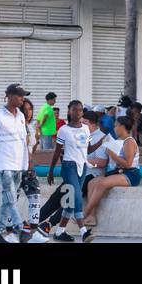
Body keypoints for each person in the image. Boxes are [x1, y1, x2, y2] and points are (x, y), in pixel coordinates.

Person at [0, 84, 48, 243]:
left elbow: (23, 142)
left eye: (23, 95)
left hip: (19, 166)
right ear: (9, 96)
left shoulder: (20, 117)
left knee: (8, 200)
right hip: (5, 165)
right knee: (11, 198)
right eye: (19, 95)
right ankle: (21, 229)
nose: (22, 99)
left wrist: (26, 164)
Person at [42, 100, 98, 241]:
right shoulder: (64, 130)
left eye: (80, 110)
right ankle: (84, 231)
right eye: (74, 110)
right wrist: (50, 171)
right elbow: (57, 152)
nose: (77, 112)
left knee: (70, 201)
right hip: (69, 167)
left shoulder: (85, 128)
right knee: (76, 195)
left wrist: (102, 142)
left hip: (82, 167)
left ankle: (59, 232)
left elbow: (88, 149)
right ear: (69, 111)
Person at [80, 115, 141, 242]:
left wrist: (111, 153)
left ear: (122, 127)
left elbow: (128, 164)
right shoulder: (120, 141)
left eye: (116, 125)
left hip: (131, 174)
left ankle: (85, 213)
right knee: (92, 182)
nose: (114, 128)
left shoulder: (129, 141)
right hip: (120, 171)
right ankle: (91, 217)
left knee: (102, 183)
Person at [18, 98, 45, 238]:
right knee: (12, 201)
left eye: (30, 109)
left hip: (29, 169)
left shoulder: (32, 127)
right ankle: (10, 230)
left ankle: (33, 231)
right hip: (16, 168)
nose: (28, 112)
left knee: (35, 198)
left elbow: (32, 149)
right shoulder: (17, 126)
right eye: (25, 109)